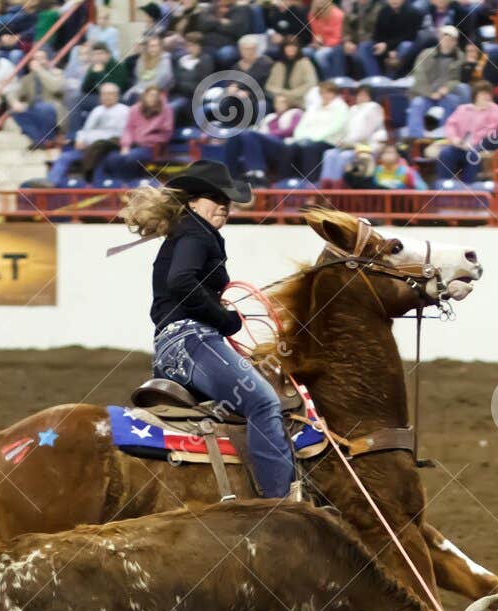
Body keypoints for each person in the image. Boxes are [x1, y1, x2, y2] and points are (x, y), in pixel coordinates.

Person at [131, 161, 296, 501]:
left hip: (171, 349)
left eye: (227, 200)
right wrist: (226, 320)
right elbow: (181, 282)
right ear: (192, 202)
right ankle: (280, 503)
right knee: (263, 402)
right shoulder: (195, 232)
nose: (224, 204)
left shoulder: (186, 232)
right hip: (192, 341)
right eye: (214, 197)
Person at [405, 24, 467, 139]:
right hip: (425, 93)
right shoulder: (425, 54)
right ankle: (416, 136)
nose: (448, 42)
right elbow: (419, 76)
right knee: (417, 103)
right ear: (440, 38)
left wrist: (446, 88)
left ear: (456, 42)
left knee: (453, 102)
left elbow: (457, 79)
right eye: (445, 38)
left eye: (451, 40)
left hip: (446, 94)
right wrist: (430, 93)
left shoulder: (460, 57)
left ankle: (445, 135)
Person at [223, 91, 301, 182]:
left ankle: (257, 171)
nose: (279, 105)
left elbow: (291, 130)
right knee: (235, 134)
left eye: (282, 102)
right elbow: (259, 130)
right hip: (263, 142)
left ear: (289, 102)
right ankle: (230, 174)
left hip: (282, 143)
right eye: (277, 102)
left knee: (249, 134)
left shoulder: (295, 112)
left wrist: (268, 134)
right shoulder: (270, 117)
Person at [435, 82, 498, 183]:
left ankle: (469, 189)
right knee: (445, 154)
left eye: (488, 94)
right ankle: (444, 186)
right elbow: (450, 124)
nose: (486, 96)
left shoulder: (495, 109)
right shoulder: (462, 108)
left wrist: (471, 143)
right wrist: (454, 139)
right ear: (475, 95)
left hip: (480, 146)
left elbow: (492, 130)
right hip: (458, 144)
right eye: (483, 93)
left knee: (472, 155)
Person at [286, 79, 348, 181]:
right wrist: (300, 138)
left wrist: (312, 139)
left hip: (328, 141)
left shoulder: (341, 108)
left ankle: (310, 183)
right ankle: (286, 181)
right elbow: (302, 125)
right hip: (306, 140)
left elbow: (335, 128)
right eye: (322, 92)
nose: (325, 95)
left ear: (335, 94)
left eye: (328, 92)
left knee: (310, 148)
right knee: (289, 148)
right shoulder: (313, 107)